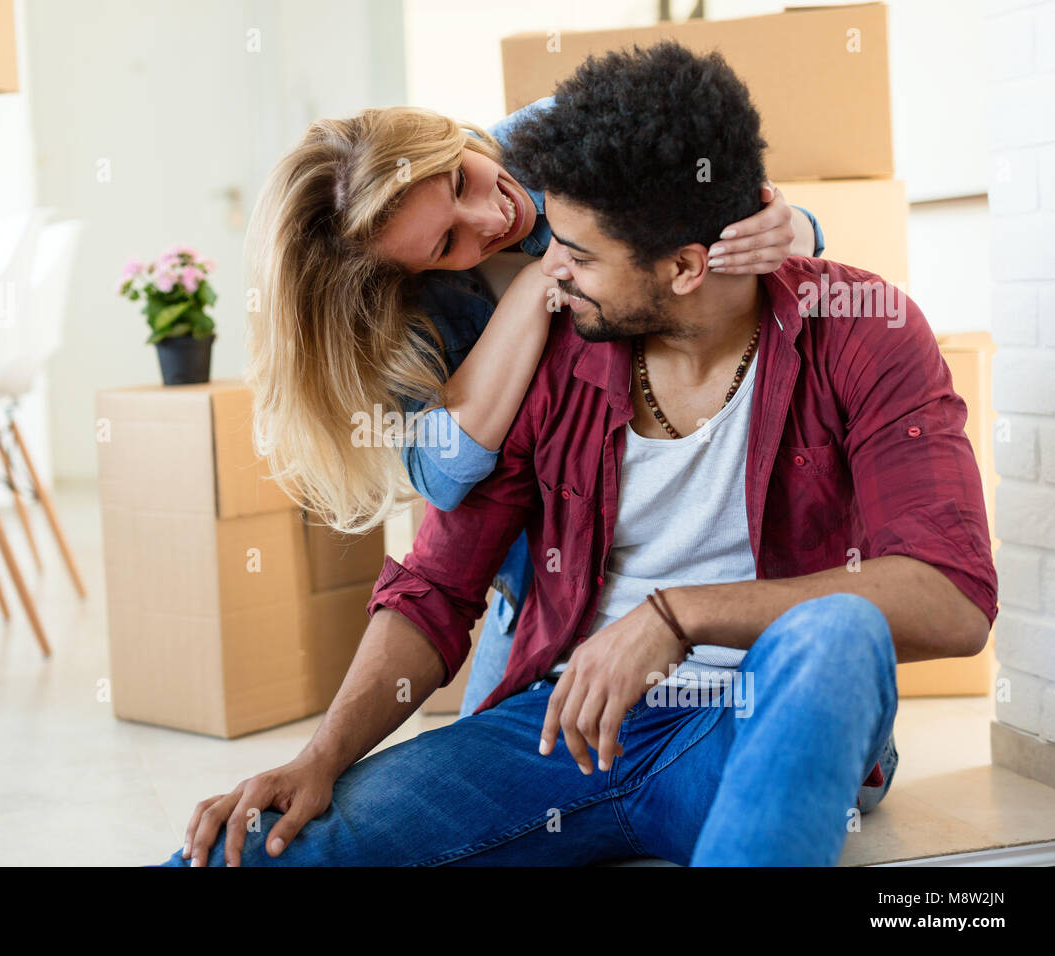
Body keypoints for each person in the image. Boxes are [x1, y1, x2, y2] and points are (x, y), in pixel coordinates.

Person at [159, 42, 997, 867]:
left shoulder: (863, 331)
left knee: (841, 630)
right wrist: (318, 757)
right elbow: (437, 585)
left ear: (685, 265)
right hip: (561, 723)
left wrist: (676, 615)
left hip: (748, 720)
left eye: (579, 256)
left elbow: (951, 598)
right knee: (268, 848)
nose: (546, 268)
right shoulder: (557, 347)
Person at [245, 91, 824, 718]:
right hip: (553, 564)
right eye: (447, 242)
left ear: (446, 137)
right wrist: (532, 287)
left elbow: (781, 239)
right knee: (487, 744)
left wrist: (786, 226)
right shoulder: (409, 317)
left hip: (695, 522)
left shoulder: (562, 137)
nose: (492, 218)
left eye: (461, 178)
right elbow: (444, 474)